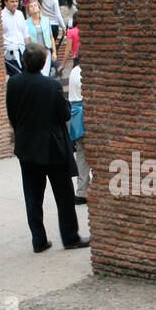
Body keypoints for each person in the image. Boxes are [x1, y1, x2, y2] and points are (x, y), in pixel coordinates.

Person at [7, 46, 89, 252]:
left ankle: (39, 240)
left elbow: (12, 115)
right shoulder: (51, 86)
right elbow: (64, 114)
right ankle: (70, 237)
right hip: (53, 148)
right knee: (64, 195)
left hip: (27, 148)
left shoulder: (13, 84)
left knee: (33, 197)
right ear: (43, 63)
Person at [67, 56, 89, 203]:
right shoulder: (86, 72)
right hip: (85, 114)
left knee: (81, 155)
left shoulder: (74, 70)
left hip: (75, 115)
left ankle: (82, 191)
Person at [24, 0, 57, 77]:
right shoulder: (26, 23)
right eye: (31, 6)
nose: (33, 7)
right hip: (35, 52)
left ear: (39, 8)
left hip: (46, 50)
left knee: (46, 73)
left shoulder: (46, 20)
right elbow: (27, 39)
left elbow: (51, 37)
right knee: (38, 72)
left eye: (35, 5)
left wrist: (54, 52)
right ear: (29, 10)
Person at [1, 0, 27, 77]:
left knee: (26, 73)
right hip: (8, 50)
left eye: (16, 1)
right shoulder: (1, 16)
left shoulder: (20, 14)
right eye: (12, 1)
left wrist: (29, 49)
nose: (15, 4)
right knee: (15, 74)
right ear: (5, 2)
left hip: (22, 48)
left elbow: (25, 33)